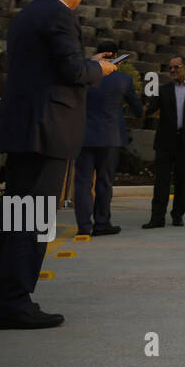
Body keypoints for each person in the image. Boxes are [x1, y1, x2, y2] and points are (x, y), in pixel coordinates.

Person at [0, 0, 117, 329]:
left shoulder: (28, 14)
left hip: (23, 130)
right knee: (32, 218)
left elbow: (52, 66)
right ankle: (16, 303)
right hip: (47, 132)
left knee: (13, 217)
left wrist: (85, 62)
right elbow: (71, 72)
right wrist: (98, 70)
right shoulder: (61, 17)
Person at [76, 37, 143, 237]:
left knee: (83, 182)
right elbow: (137, 108)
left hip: (84, 136)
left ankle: (83, 226)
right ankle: (102, 223)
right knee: (104, 182)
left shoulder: (84, 77)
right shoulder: (124, 80)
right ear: (115, 58)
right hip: (111, 137)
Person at [143, 56, 185, 228]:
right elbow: (149, 109)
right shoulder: (162, 90)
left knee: (183, 181)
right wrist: (141, 103)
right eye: (170, 67)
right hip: (165, 142)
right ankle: (157, 217)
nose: (172, 70)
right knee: (161, 181)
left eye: (176, 67)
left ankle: (178, 215)